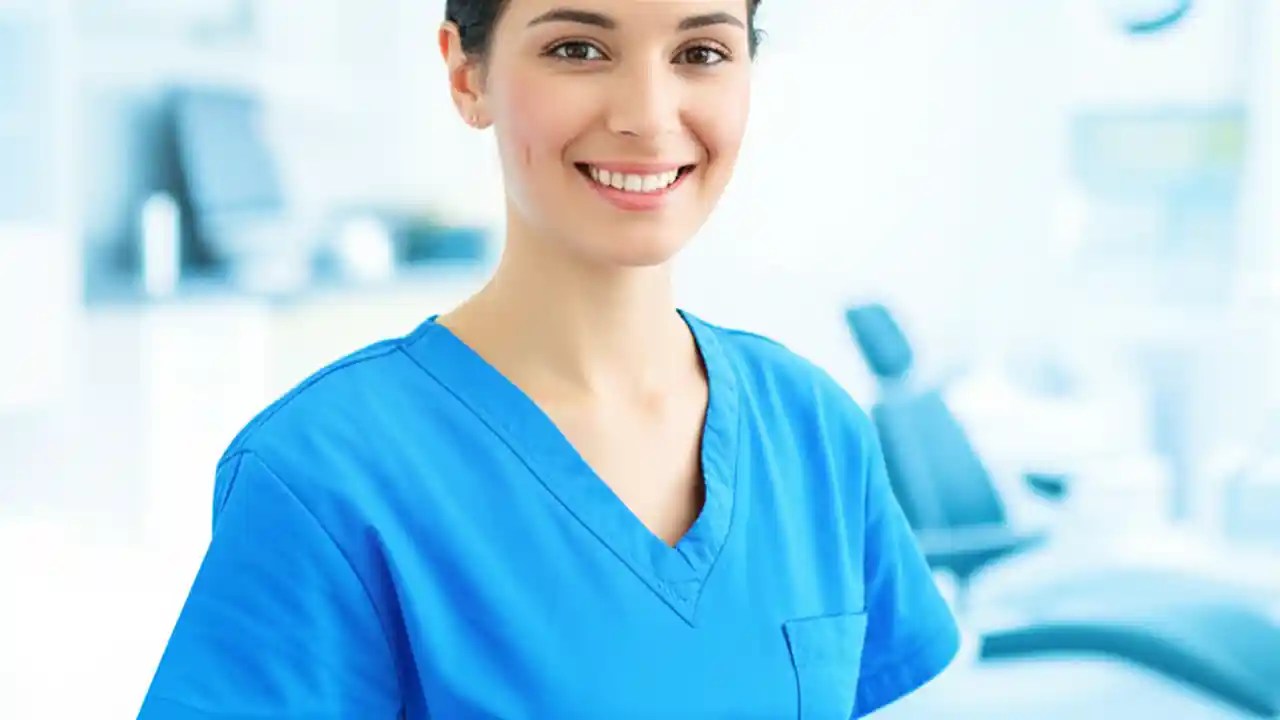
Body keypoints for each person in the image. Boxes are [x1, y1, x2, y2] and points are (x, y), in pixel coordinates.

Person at [138, 0, 960, 717]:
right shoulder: (324, 475)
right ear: (467, 74)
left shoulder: (812, 427)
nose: (649, 116)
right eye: (578, 48)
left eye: (701, 52)